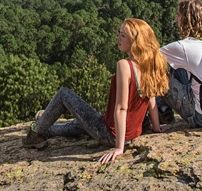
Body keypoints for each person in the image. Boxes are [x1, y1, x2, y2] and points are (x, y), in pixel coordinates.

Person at [22, 18, 171, 164]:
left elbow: (121, 108)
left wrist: (119, 148)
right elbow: (151, 99)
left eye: (123, 35)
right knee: (79, 124)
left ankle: (34, 135)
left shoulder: (125, 65)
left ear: (135, 42)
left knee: (63, 94)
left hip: (111, 134)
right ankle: (45, 125)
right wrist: (156, 128)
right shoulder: (149, 64)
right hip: (134, 132)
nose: (118, 37)